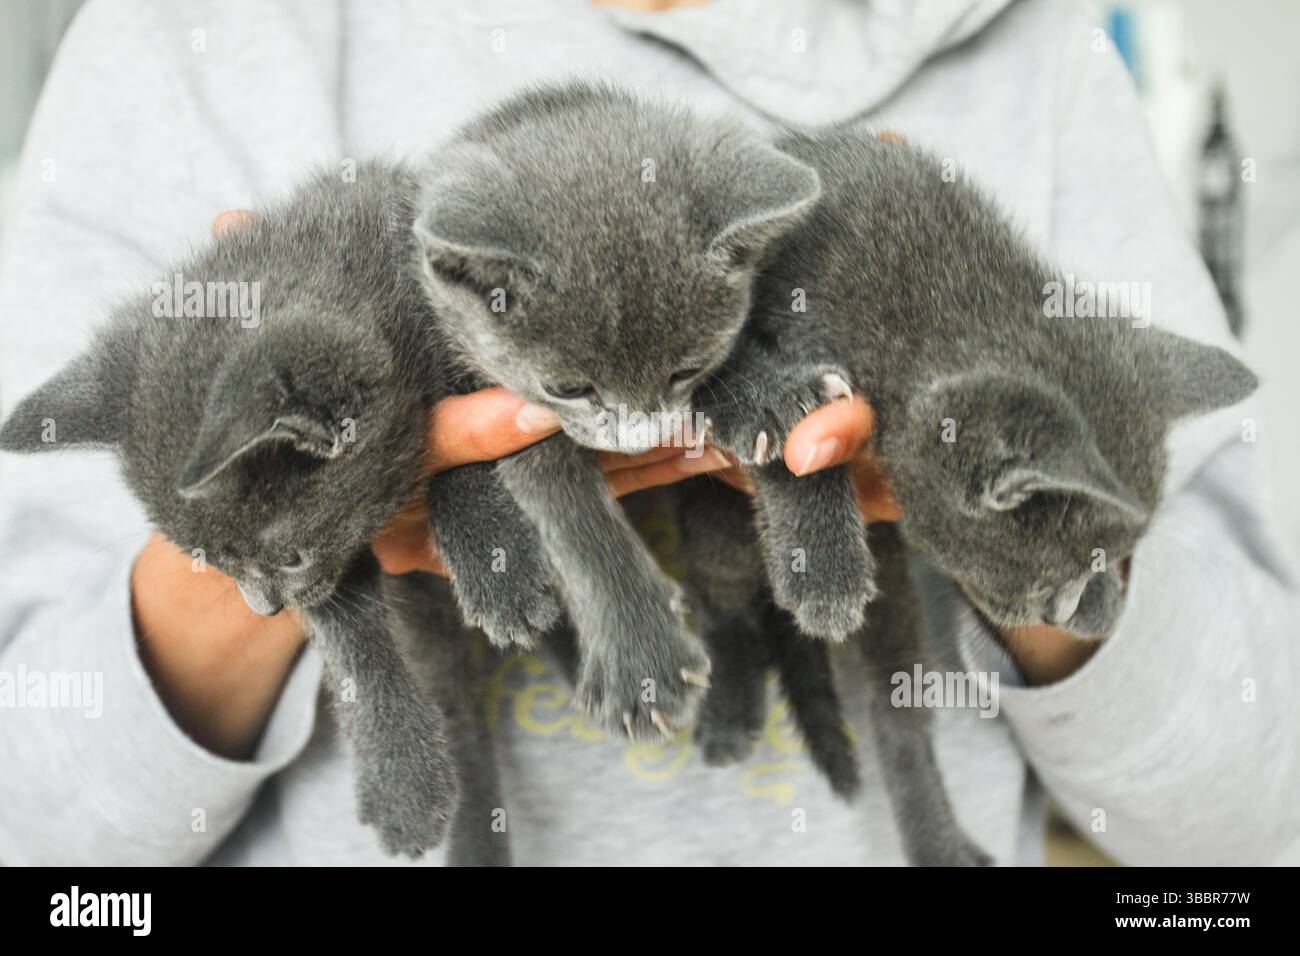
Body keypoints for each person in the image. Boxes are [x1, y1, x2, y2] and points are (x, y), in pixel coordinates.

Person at [1, 0, 1296, 866]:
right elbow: (35, 821)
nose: (632, 424)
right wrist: (293, 531)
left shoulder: (1026, 50)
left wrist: (1001, 512)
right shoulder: (198, 34)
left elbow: (1252, 813)